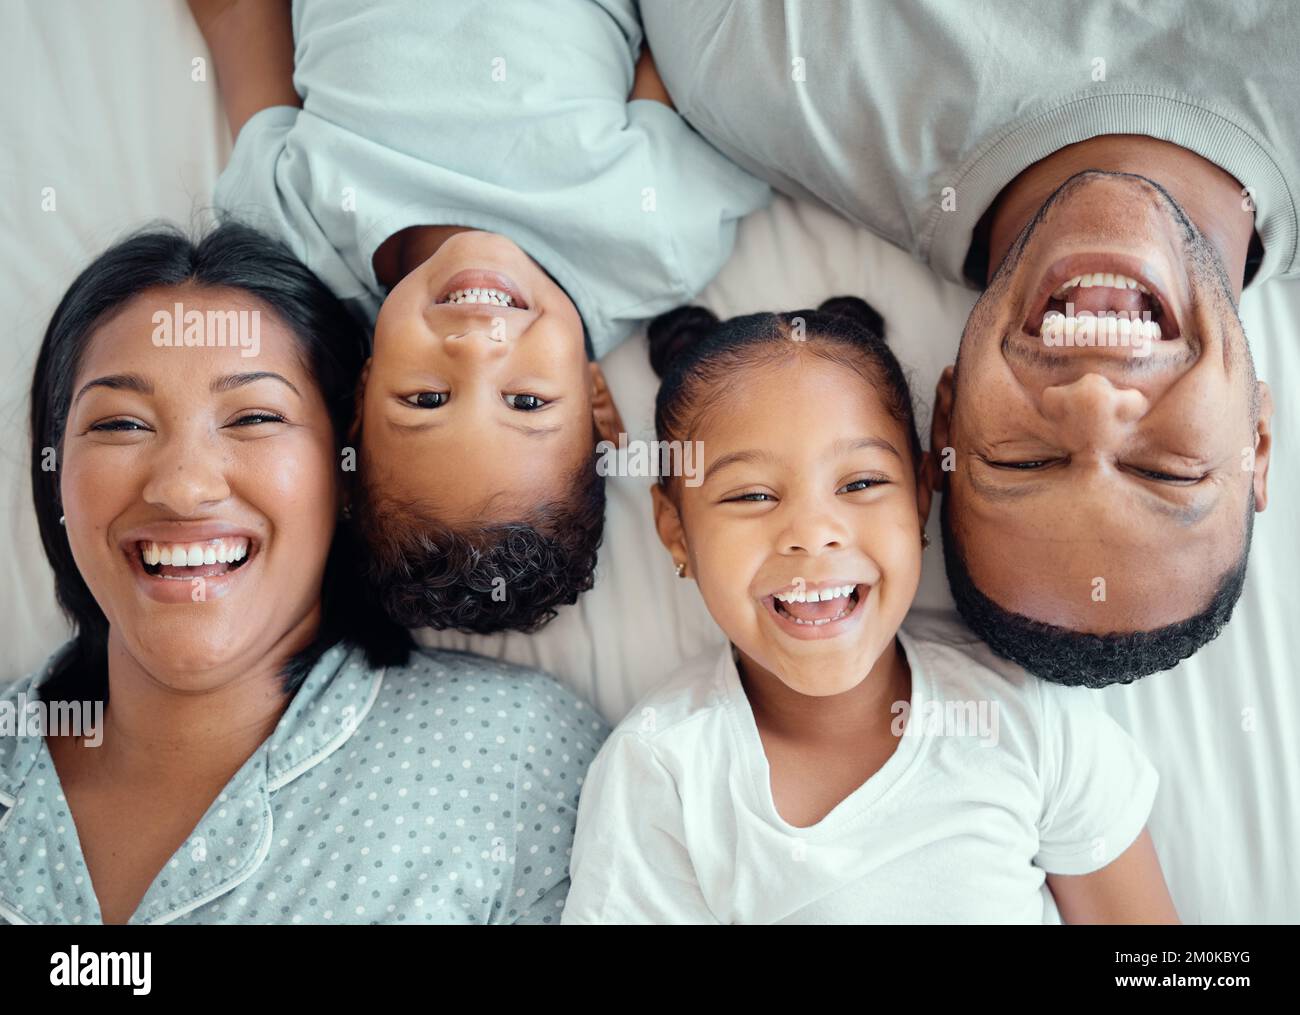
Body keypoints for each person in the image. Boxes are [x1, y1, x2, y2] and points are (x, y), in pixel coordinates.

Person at [640, 1, 1289, 685]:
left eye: (1025, 461)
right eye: (1166, 471)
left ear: (945, 420)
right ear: (1258, 437)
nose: (1094, 397)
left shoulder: (756, 63)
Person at [0, 223, 607, 925]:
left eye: (255, 416)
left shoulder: (516, 761)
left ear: (348, 467)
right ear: (57, 478)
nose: (184, 486)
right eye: (121, 426)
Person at [562, 298, 1178, 923]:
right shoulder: (662, 774)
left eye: (859, 484)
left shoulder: (1028, 716)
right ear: (674, 528)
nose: (812, 532)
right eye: (751, 494)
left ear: (917, 497)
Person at [188, 0, 770, 635]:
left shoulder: (297, 239)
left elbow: (235, 17)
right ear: (599, 401)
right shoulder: (652, 236)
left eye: (426, 397)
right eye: (525, 402)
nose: (476, 348)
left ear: (362, 393)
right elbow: (685, 43)